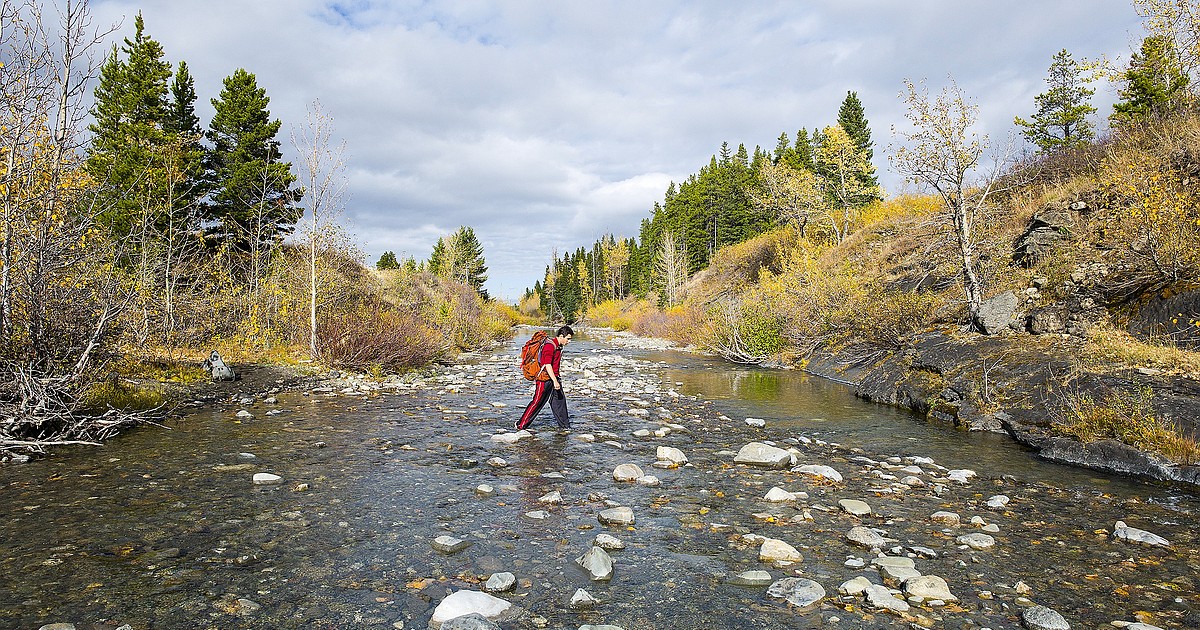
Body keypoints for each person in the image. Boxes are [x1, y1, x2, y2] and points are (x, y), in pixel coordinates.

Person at [516, 325, 573, 431]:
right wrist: (555, 381)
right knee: (537, 402)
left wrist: (556, 379)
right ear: (561, 336)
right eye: (568, 339)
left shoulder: (558, 346)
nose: (569, 341)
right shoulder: (549, 345)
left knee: (560, 402)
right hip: (544, 379)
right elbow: (547, 364)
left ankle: (565, 427)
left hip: (554, 377)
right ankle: (521, 425)